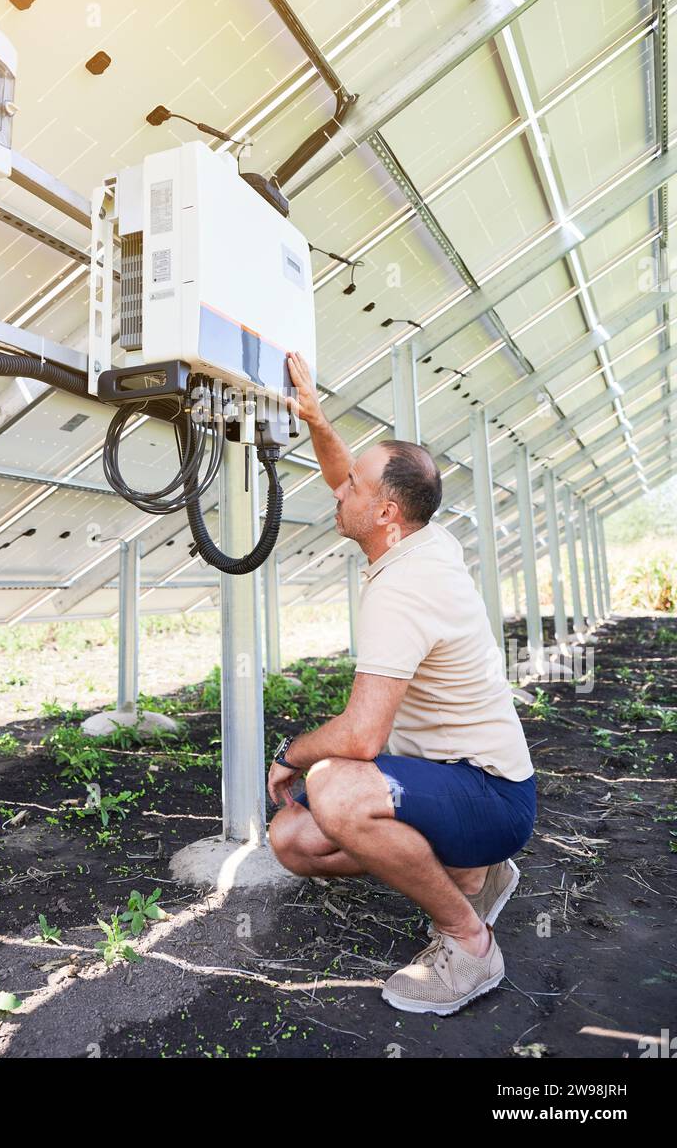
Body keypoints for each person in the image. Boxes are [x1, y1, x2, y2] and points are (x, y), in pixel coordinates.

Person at [267, 351, 536, 1016]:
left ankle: (470, 946)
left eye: (353, 488)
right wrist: (315, 418)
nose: (338, 491)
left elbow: (362, 736)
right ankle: (476, 874)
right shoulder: (419, 536)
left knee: (333, 785)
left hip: (491, 792)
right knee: (292, 841)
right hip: (450, 776)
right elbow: (349, 479)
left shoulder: (404, 588)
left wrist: (289, 755)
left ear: (386, 510)